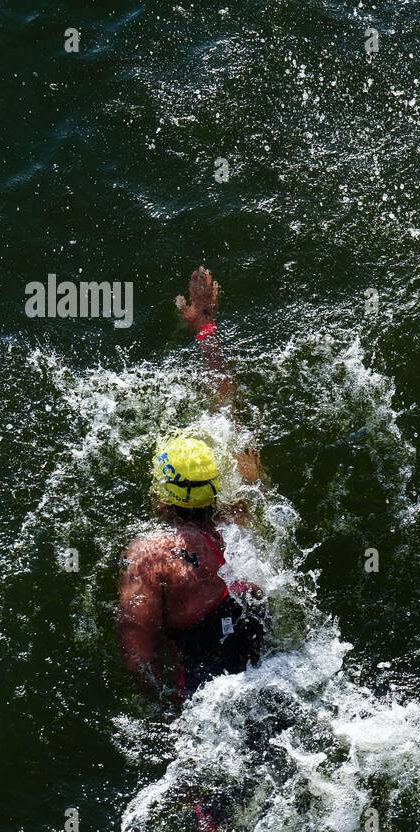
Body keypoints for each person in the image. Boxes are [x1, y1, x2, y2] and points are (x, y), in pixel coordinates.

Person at [118, 267, 266, 702]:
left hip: (210, 706)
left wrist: (162, 713)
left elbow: (137, 655)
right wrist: (206, 330)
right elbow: (229, 409)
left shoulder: (150, 557)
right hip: (275, 675)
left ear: (162, 491)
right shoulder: (244, 506)